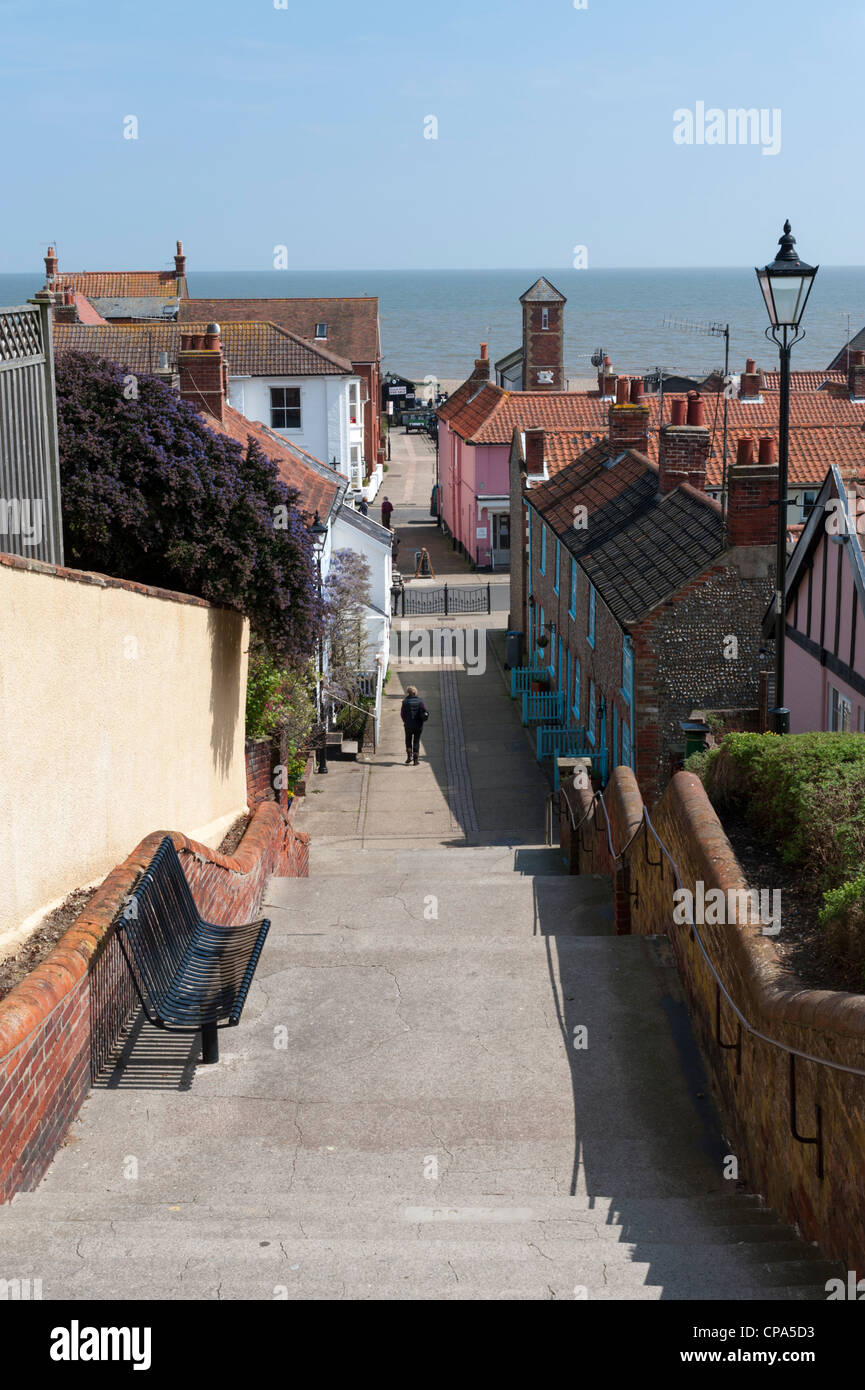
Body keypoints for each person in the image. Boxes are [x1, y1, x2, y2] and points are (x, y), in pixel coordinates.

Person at [400, 685, 428, 765]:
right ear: (415, 692)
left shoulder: (405, 702)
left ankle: (409, 756)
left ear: (408, 693)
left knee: (408, 740)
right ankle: (415, 760)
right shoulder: (420, 701)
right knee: (416, 741)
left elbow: (402, 714)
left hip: (408, 725)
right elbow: (425, 711)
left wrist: (405, 720)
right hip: (418, 725)